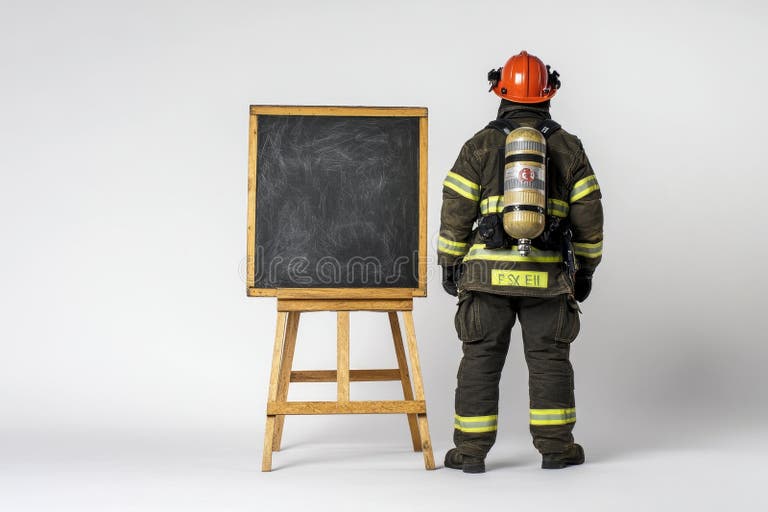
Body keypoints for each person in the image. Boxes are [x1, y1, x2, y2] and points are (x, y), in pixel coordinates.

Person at [438, 50, 604, 473]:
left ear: (499, 91)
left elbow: (455, 208)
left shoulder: (479, 144)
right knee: (549, 360)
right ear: (549, 93)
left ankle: (470, 454)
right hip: (547, 279)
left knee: (480, 360)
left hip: (485, 278)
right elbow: (589, 215)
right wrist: (585, 269)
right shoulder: (568, 146)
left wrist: (448, 263)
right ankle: (556, 449)